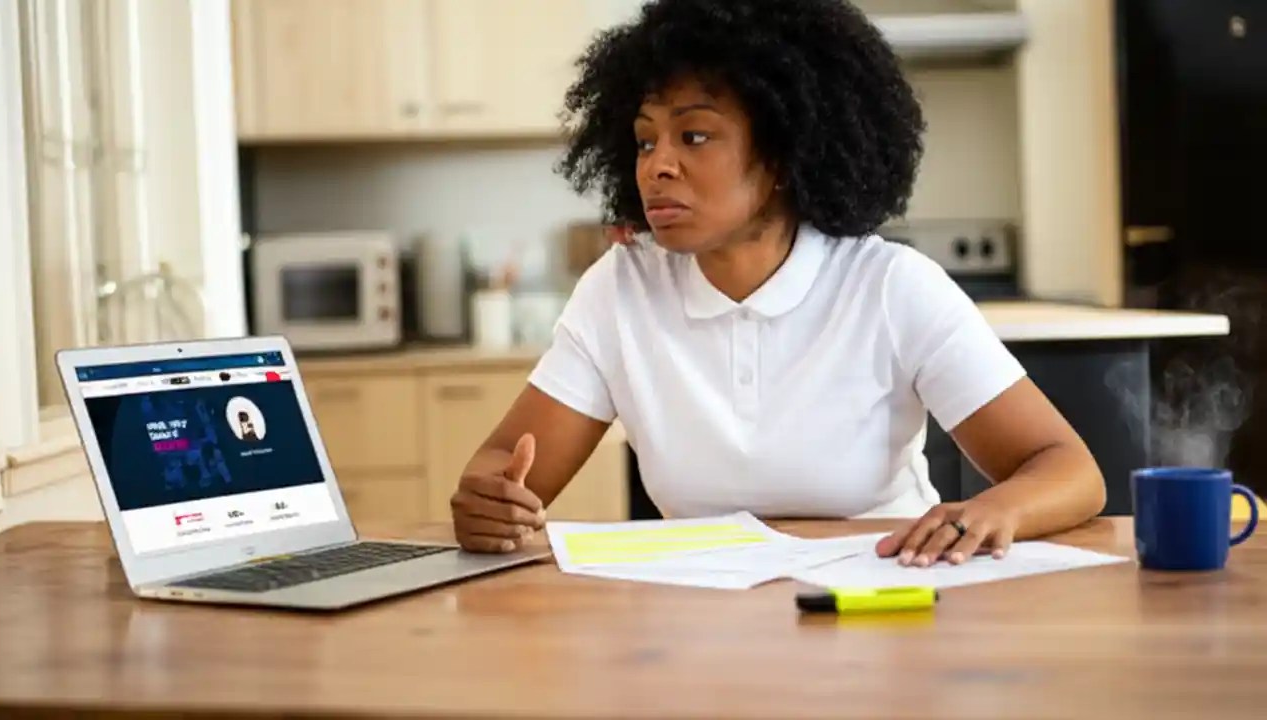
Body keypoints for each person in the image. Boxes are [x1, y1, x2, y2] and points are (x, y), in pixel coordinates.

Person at [450, 0, 1106, 566]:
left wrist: (995, 512)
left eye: (695, 135)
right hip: (700, 625)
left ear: (787, 155)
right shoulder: (620, 288)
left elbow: (1068, 469)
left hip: (887, 607)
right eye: (646, 141)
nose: (658, 167)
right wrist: (488, 500)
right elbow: (505, 463)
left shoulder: (891, 286)